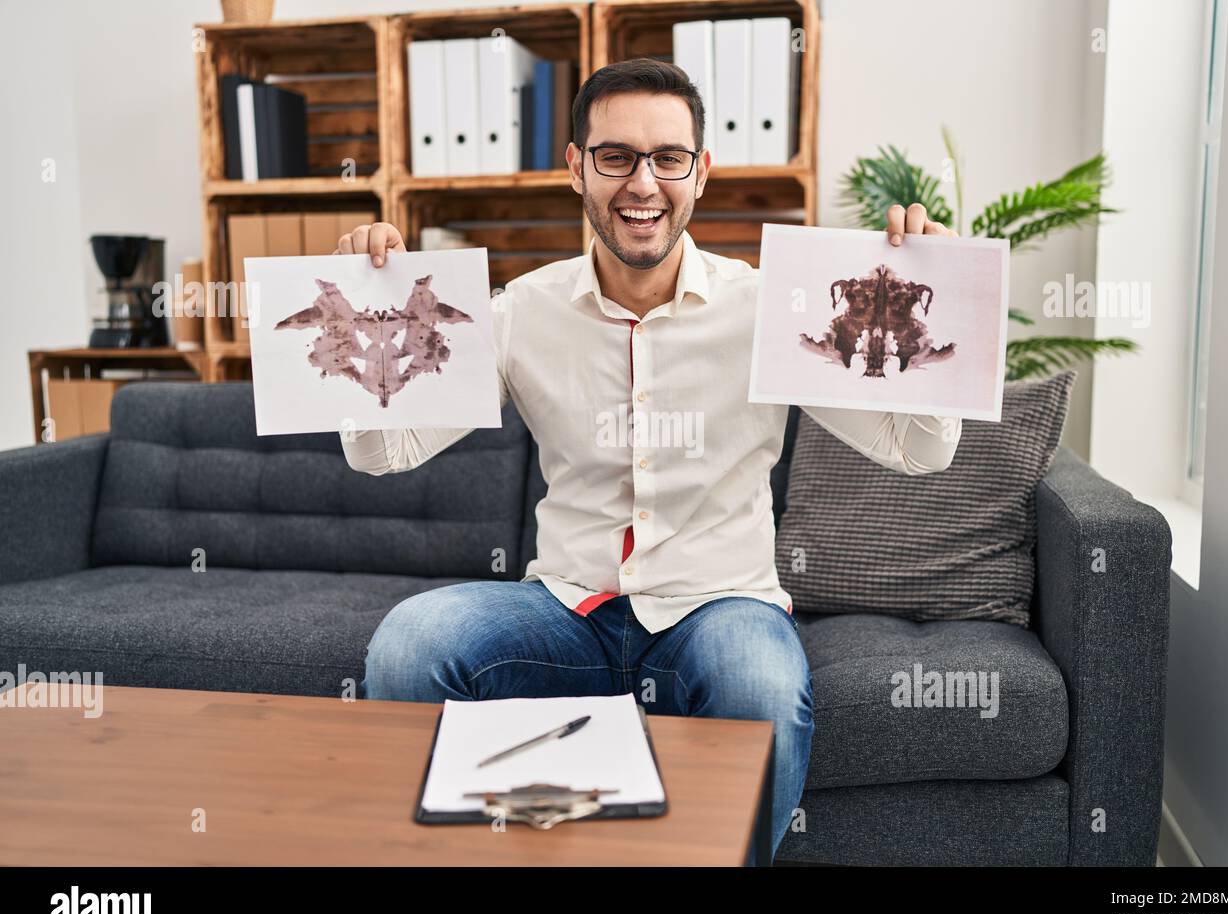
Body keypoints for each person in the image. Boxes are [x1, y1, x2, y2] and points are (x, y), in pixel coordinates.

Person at [335, 58, 962, 865]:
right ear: (576, 169)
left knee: (761, 689)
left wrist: (944, 297)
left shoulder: (775, 310)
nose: (644, 183)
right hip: (567, 610)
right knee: (409, 644)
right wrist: (364, 309)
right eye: (616, 156)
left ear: (701, 172)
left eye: (669, 157)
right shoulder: (521, 311)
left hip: (719, 605)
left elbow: (918, 448)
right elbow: (387, 452)